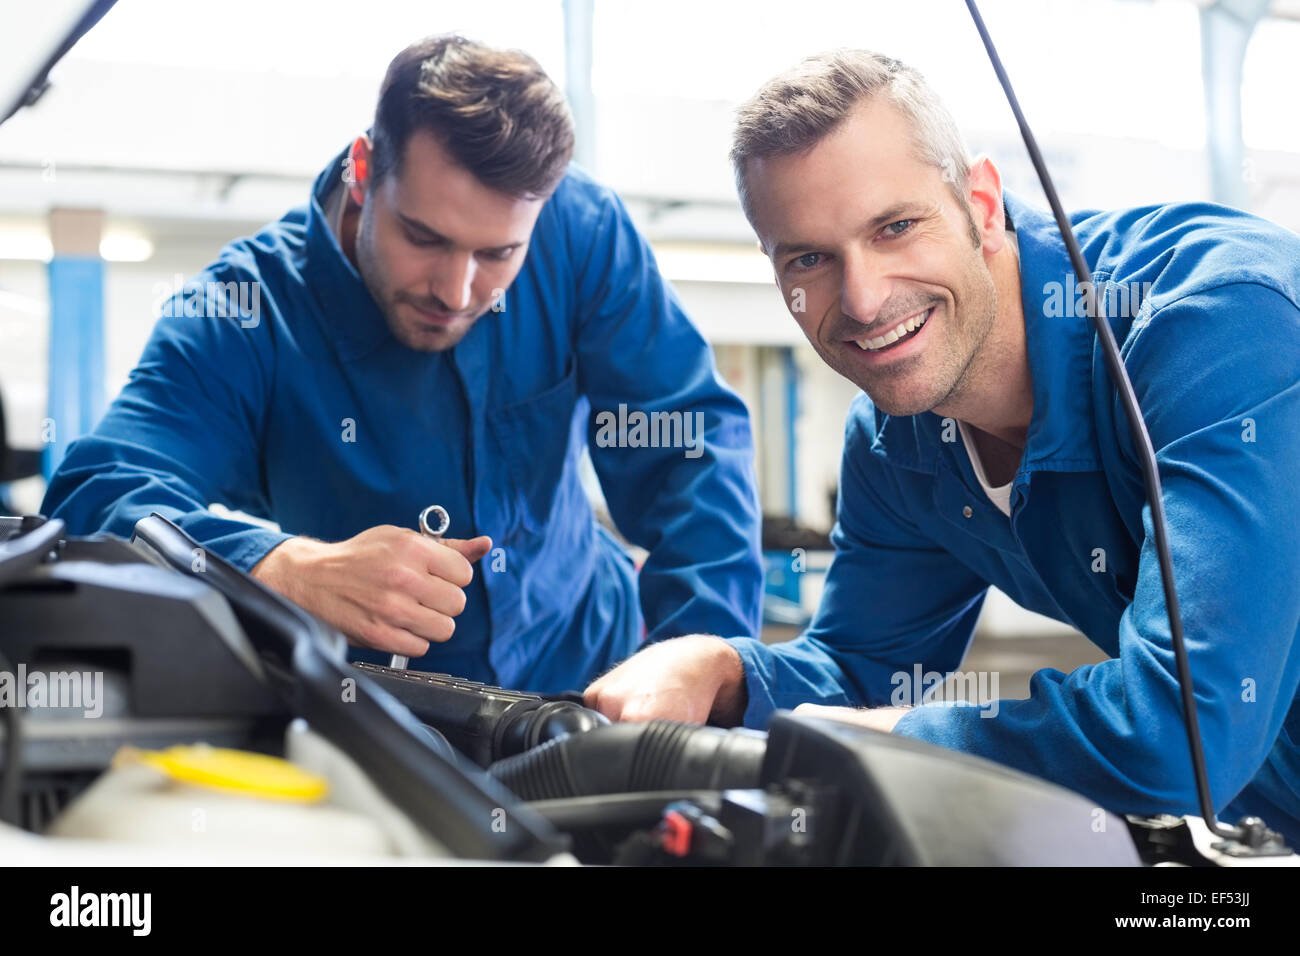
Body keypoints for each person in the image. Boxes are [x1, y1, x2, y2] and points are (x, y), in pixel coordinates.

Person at [583, 49, 1300, 841]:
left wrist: (893, 738)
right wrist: (725, 671)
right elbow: (860, 674)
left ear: (981, 203)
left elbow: (1184, 731)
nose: (862, 298)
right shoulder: (897, 446)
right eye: (811, 259)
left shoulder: (1217, 325)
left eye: (895, 227)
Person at [41, 34, 763, 693]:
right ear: (363, 170)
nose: (456, 292)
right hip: (382, 715)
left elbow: (687, 446)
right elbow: (93, 493)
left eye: (497, 255)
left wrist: (701, 664)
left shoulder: (582, 233)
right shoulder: (244, 310)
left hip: (594, 674)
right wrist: (282, 568)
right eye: (424, 237)